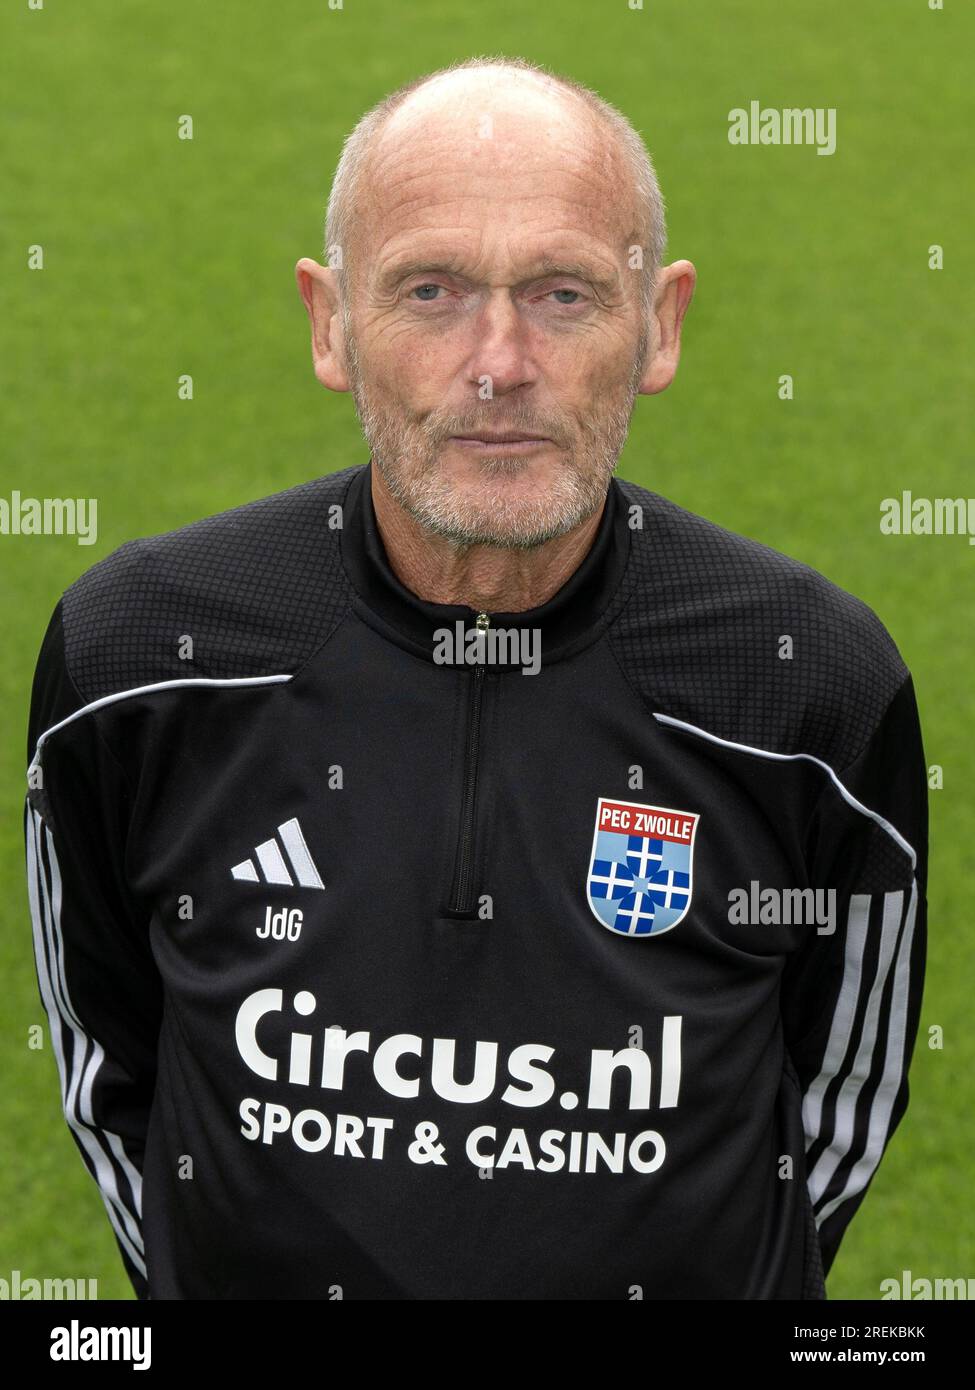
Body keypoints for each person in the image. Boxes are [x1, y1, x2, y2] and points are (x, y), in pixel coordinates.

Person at [24, 56, 927, 1300]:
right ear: (330, 323)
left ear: (659, 325)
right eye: (430, 290)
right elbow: (110, 1066)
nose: (498, 363)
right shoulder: (140, 661)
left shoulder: (807, 688)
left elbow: (838, 1099)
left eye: (563, 294)